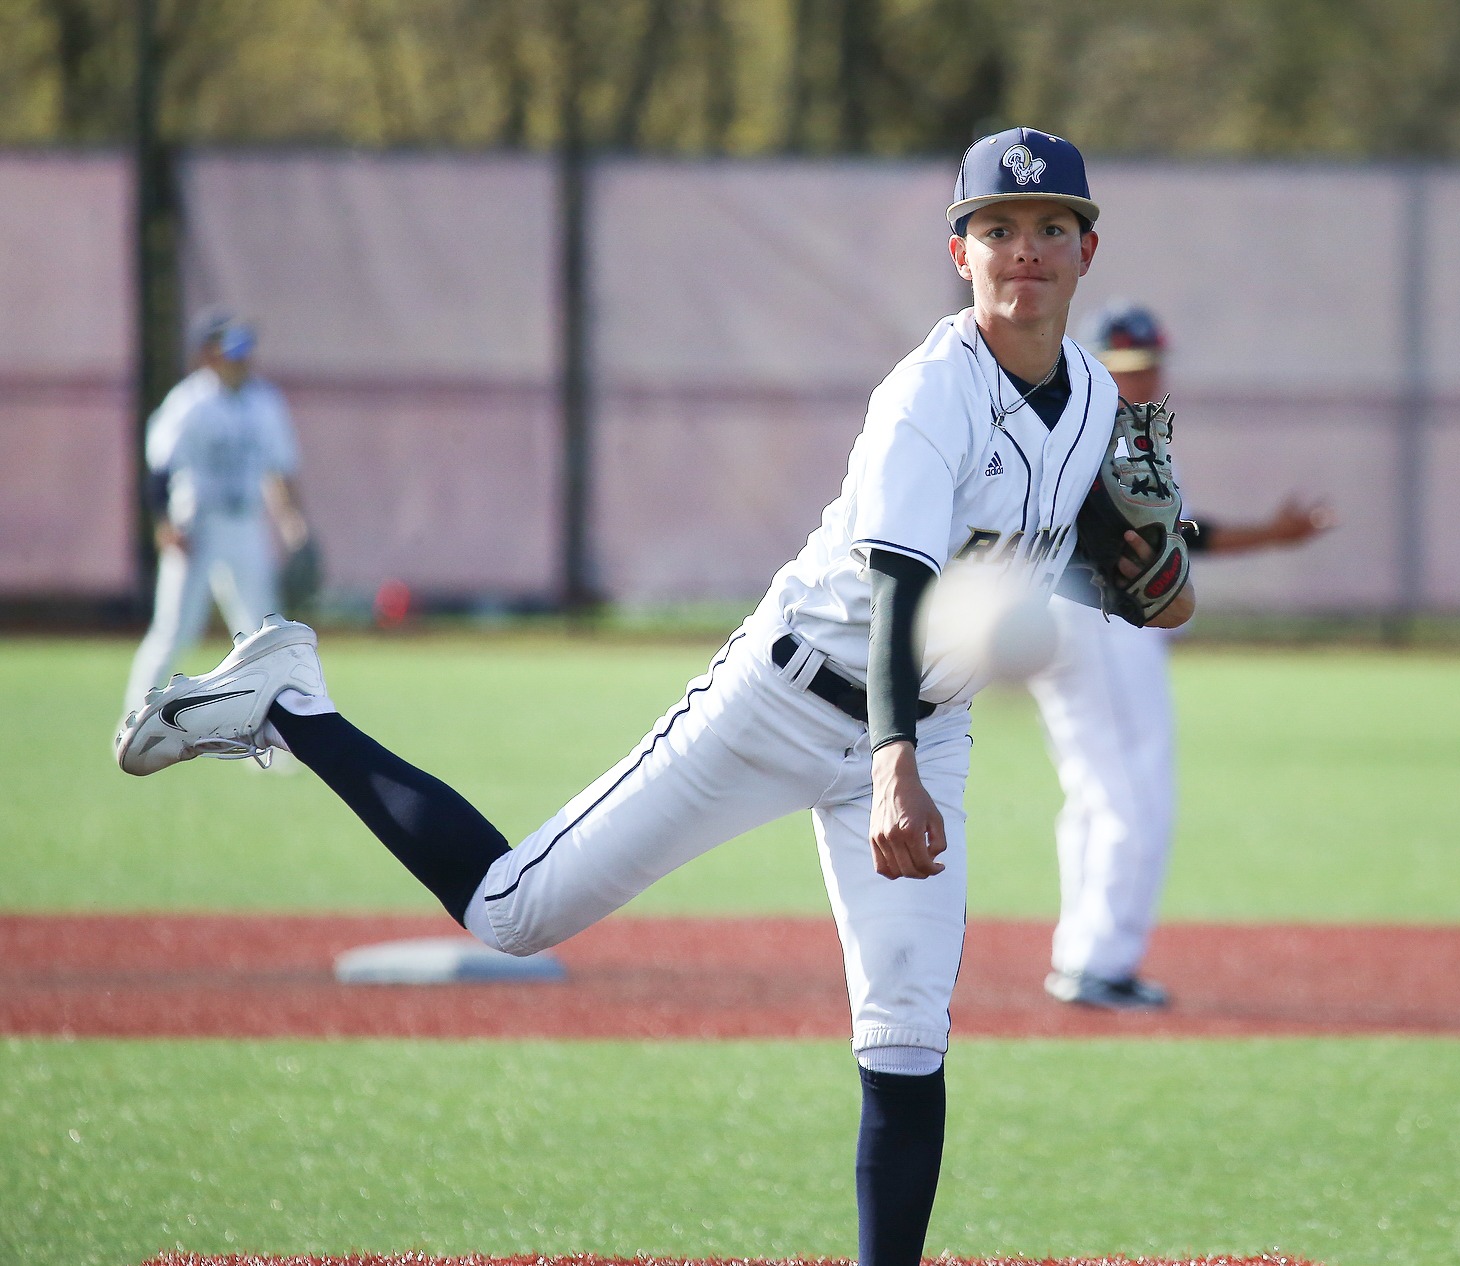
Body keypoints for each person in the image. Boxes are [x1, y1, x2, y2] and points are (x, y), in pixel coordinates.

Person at [114, 128, 1195, 1266]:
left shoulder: (1087, 406)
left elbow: (1080, 567)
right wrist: (891, 767)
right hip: (783, 703)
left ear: (1084, 250)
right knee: (510, 913)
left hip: (931, 727)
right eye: (997, 231)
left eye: (1046, 230)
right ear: (957, 250)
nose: (1022, 252)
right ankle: (291, 704)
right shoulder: (928, 395)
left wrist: (1150, 589)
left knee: (907, 1030)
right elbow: (900, 591)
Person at [1030, 303, 1332, 1010]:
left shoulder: (1080, 423)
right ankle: (1099, 966)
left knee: (1096, 795)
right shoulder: (1101, 427)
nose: (1141, 378)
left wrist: (1271, 536)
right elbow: (1174, 541)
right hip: (1102, 623)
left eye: (1149, 365)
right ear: (1097, 362)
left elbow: (1174, 533)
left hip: (1076, 621)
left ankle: (1083, 954)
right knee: (1135, 797)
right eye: (1126, 366)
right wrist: (1271, 536)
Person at [121, 312, 312, 720]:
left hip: (245, 526)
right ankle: (134, 721)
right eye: (232, 351)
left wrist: (294, 527)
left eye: (245, 351)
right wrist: (163, 523)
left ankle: (279, 736)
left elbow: (279, 470)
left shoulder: (265, 401)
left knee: (267, 635)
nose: (242, 360)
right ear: (208, 355)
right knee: (173, 631)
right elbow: (158, 468)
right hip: (197, 526)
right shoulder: (189, 403)